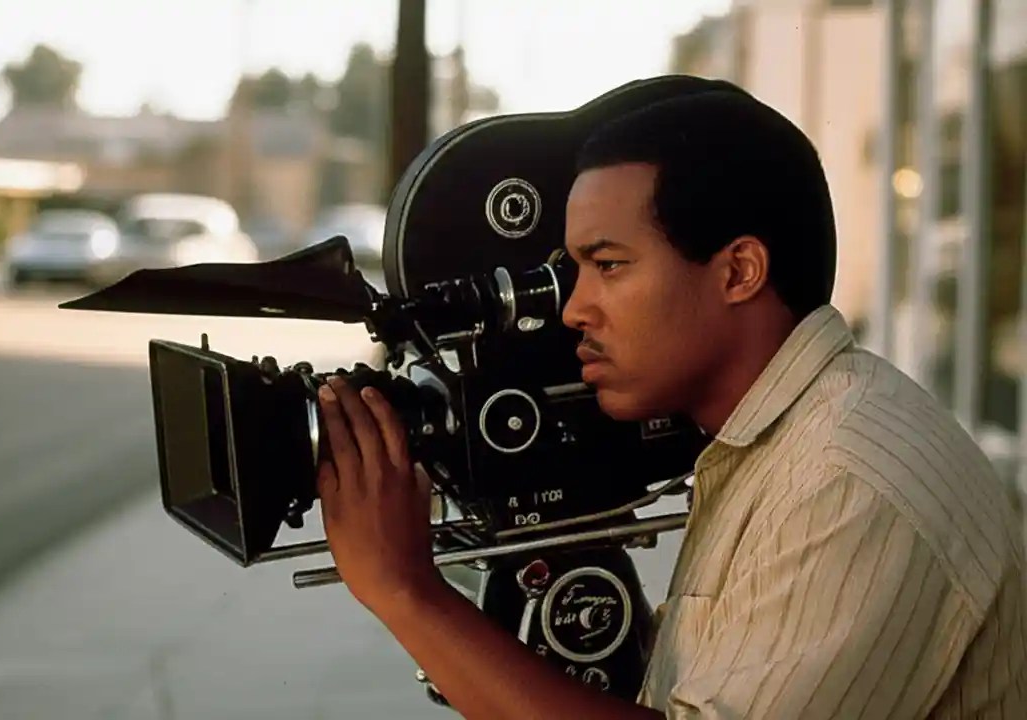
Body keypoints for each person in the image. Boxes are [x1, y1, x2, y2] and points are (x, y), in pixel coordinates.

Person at [314, 76, 1026, 719]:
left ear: (739, 271)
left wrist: (407, 591)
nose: (574, 310)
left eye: (609, 266)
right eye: (573, 272)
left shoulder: (848, 479)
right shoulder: (781, 438)